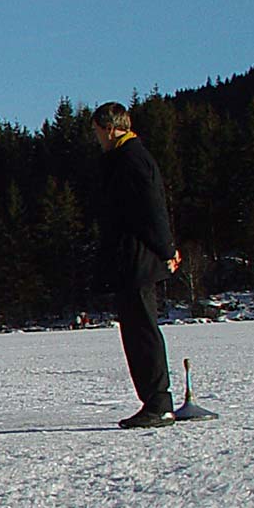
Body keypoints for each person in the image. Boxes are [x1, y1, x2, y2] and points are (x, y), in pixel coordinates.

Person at [92, 102, 181, 428]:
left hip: (139, 258)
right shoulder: (121, 159)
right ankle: (154, 401)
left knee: (142, 330)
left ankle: (159, 402)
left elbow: (152, 208)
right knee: (136, 330)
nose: (97, 138)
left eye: (98, 131)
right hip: (130, 258)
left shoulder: (132, 158)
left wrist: (166, 249)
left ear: (111, 128)